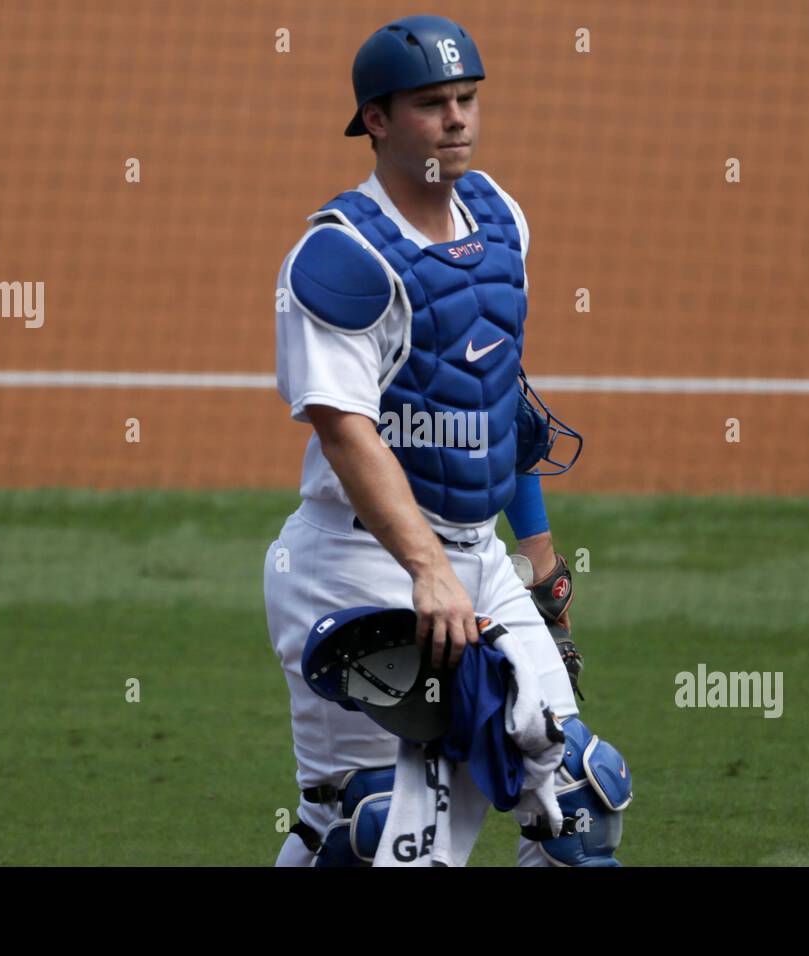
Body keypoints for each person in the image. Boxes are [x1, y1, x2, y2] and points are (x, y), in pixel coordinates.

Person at [264, 14, 627, 867]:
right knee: (378, 827)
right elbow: (346, 431)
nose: (458, 118)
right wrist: (427, 569)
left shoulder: (500, 223)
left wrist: (536, 561)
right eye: (433, 104)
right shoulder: (341, 257)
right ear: (378, 120)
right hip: (356, 567)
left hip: (480, 561)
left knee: (583, 797)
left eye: (467, 98)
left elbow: (500, 404)